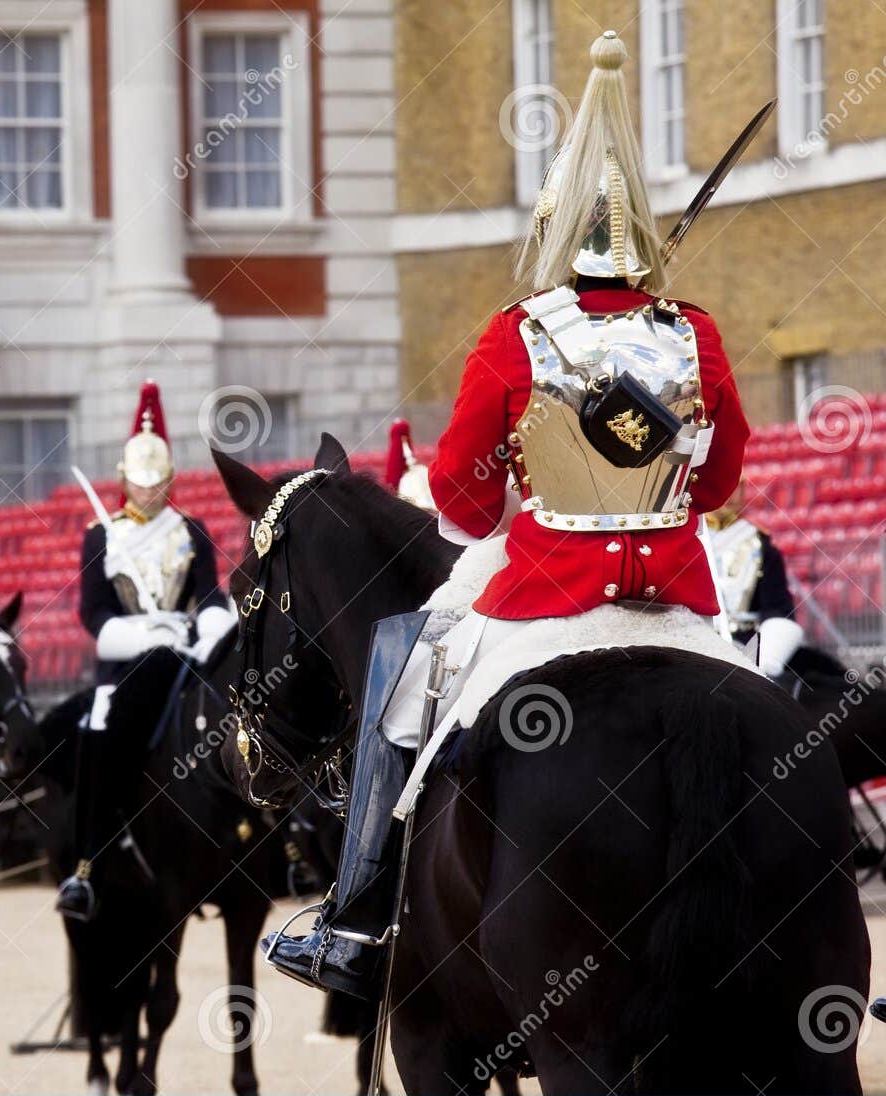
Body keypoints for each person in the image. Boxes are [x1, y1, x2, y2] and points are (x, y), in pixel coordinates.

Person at [263, 31, 751, 996]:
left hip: (543, 584)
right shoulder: (691, 333)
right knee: (771, 714)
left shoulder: (518, 335)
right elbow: (725, 475)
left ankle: (357, 915)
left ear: (558, 231)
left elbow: (458, 494)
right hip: (677, 588)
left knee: (403, 661)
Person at [55, 381, 233, 921]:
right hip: (127, 664)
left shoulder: (191, 531)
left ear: (170, 481)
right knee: (98, 735)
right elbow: (93, 614)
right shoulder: (100, 537)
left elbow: (211, 596)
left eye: (158, 484)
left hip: (181, 658)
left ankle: (276, 846)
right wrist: (146, 634)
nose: (149, 492)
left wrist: (208, 631)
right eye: (140, 482)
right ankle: (88, 863)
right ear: (124, 479)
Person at [703, 482, 804, 677]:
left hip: (745, 644)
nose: (730, 495)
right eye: (725, 484)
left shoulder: (761, 545)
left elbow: (777, 610)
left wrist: (764, 661)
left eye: (737, 486)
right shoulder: (689, 538)